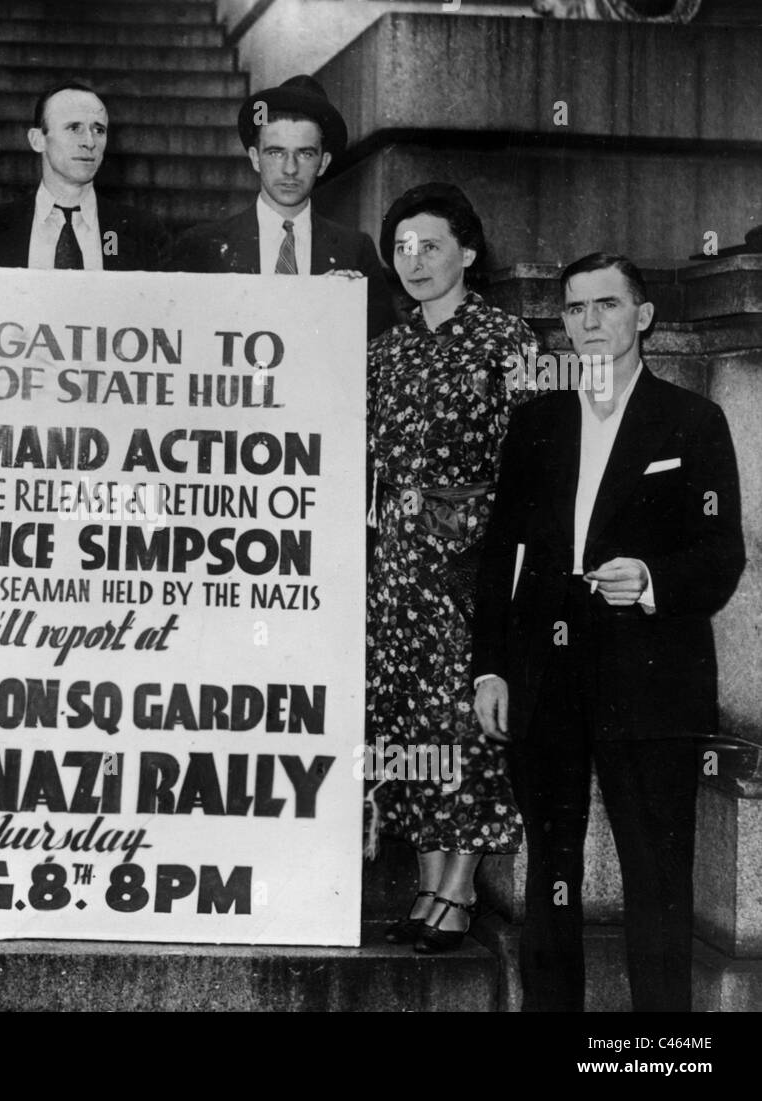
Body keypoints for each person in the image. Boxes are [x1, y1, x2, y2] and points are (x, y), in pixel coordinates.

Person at [471, 253, 744, 1011]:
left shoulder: (692, 420)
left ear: (643, 316)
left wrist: (653, 580)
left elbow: (721, 556)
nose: (590, 322)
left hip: (652, 680)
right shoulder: (536, 420)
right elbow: (501, 554)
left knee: (657, 878)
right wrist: (488, 668)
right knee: (548, 876)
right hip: (544, 680)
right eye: (575, 308)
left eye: (607, 305)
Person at [366, 183, 536, 952]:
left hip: (470, 559)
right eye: (401, 247)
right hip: (396, 562)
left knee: (460, 719)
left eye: (430, 245)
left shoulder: (508, 340)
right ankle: (428, 879)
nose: (414, 260)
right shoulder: (387, 347)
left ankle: (461, 886)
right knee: (405, 718)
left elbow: (532, 461)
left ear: (467, 251)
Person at [168, 74, 394, 340]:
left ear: (323, 163)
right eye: (276, 152)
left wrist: (346, 305)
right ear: (255, 158)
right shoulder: (201, 245)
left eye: (305, 153)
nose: (290, 168)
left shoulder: (355, 250)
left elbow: (379, 348)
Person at [0, 80, 170, 271]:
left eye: (99, 130)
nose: (89, 142)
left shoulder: (143, 231)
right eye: (74, 128)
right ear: (37, 140)